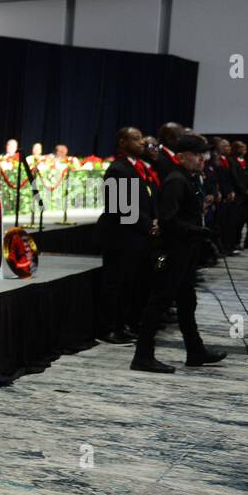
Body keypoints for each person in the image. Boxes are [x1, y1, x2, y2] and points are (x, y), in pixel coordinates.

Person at [131, 133, 226, 374]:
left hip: (186, 251)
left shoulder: (189, 179)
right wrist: (198, 230)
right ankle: (142, 356)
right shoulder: (176, 180)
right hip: (172, 252)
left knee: (187, 302)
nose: (201, 159)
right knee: (159, 302)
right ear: (182, 157)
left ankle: (195, 351)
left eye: (202, 155)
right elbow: (167, 219)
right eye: (196, 155)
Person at [96, 127, 155, 345]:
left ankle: (122, 325)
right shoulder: (117, 169)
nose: (142, 143)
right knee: (114, 284)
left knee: (128, 283)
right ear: (122, 142)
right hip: (119, 236)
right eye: (136, 139)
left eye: (142, 139)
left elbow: (146, 199)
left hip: (134, 235)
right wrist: (149, 225)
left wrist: (153, 220)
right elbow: (121, 207)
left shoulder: (136, 167)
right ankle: (108, 328)